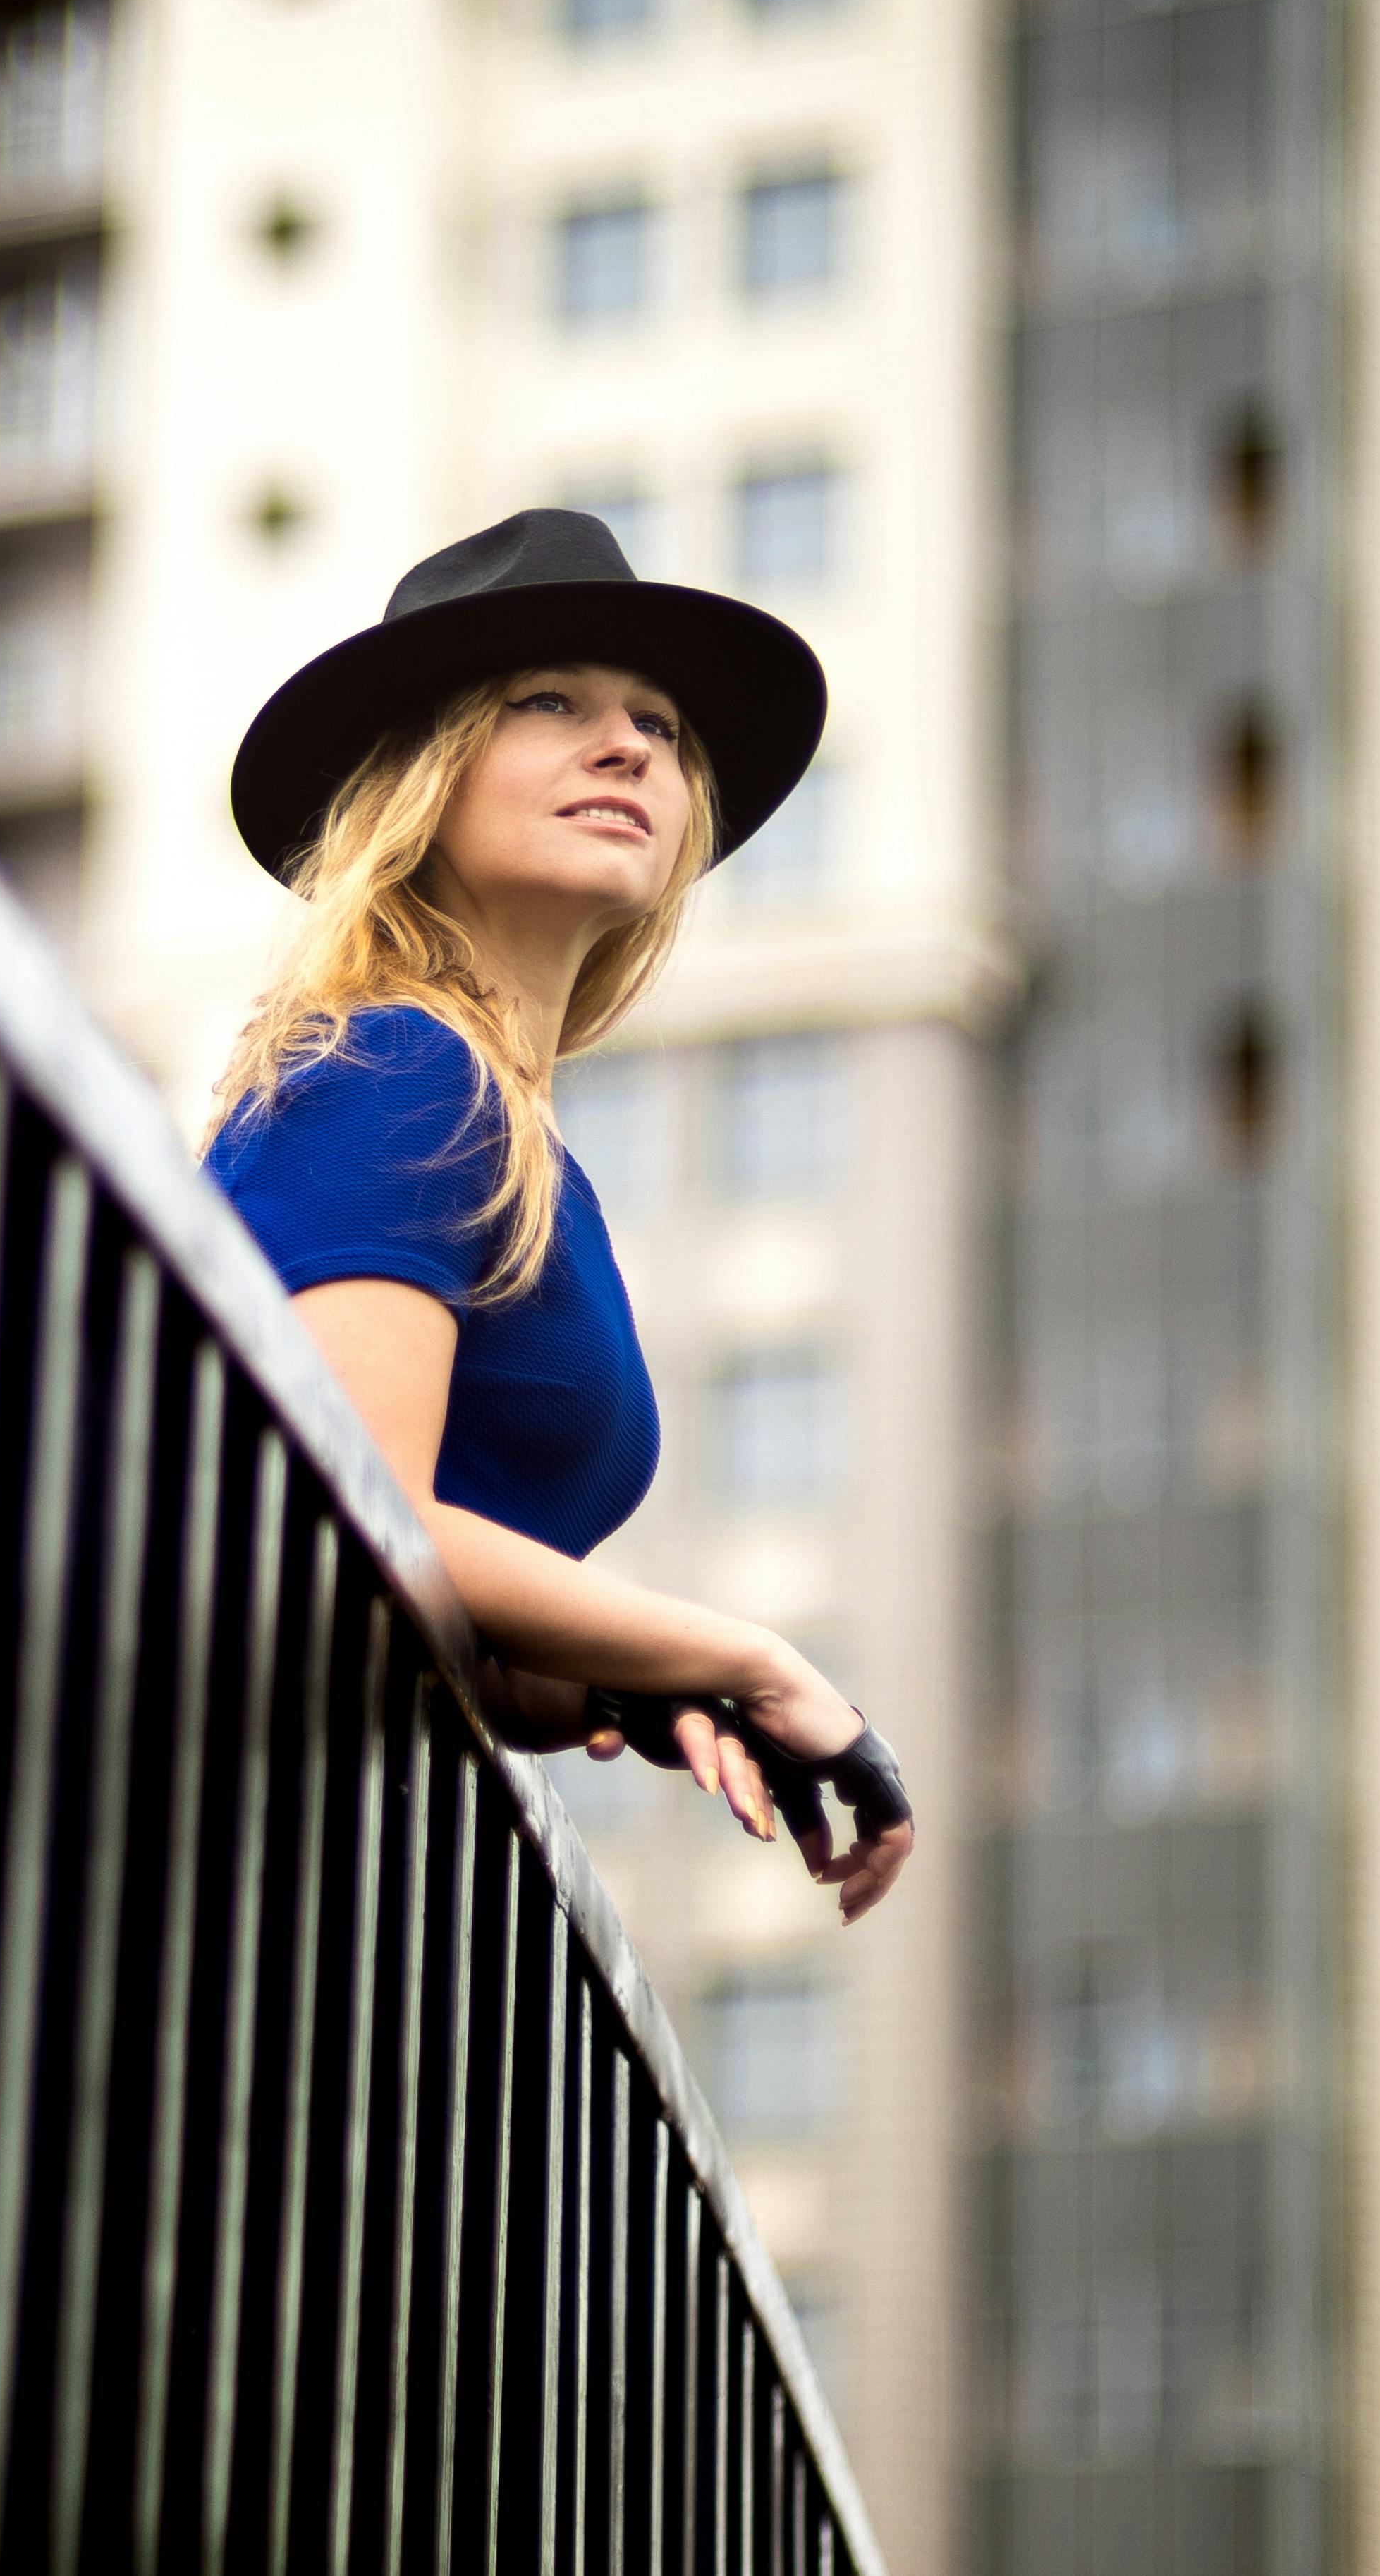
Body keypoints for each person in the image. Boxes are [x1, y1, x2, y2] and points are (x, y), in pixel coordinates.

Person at [204, 509, 915, 1921]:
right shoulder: (398, 1068)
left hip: (333, 1874)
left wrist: (601, 1684)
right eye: (549, 702)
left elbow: (429, 1612)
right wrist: (747, 1654)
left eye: (659, 724)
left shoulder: (516, 1144)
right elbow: (353, 1513)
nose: (627, 747)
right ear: (420, 777)